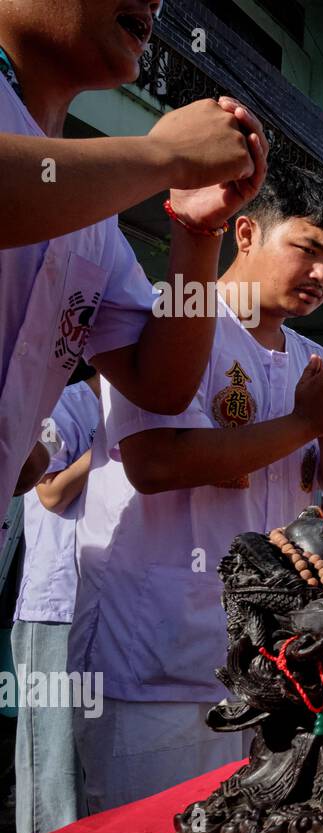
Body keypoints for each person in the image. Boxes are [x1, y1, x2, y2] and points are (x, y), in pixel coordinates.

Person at [69, 167, 323, 812]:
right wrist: (303, 423)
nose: (322, 275)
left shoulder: (308, 358)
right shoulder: (178, 322)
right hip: (163, 659)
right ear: (245, 232)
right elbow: (155, 463)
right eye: (307, 249)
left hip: (275, 662)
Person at [0, 1, 269, 536]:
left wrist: (195, 236)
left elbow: (161, 382)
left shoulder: (92, 223)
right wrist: (162, 155)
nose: (153, 2)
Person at [10, 372, 100, 833]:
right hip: (57, 609)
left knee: (102, 770)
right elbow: (48, 492)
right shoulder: (67, 402)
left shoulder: (172, 409)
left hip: (119, 611)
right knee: (56, 768)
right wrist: (111, 444)